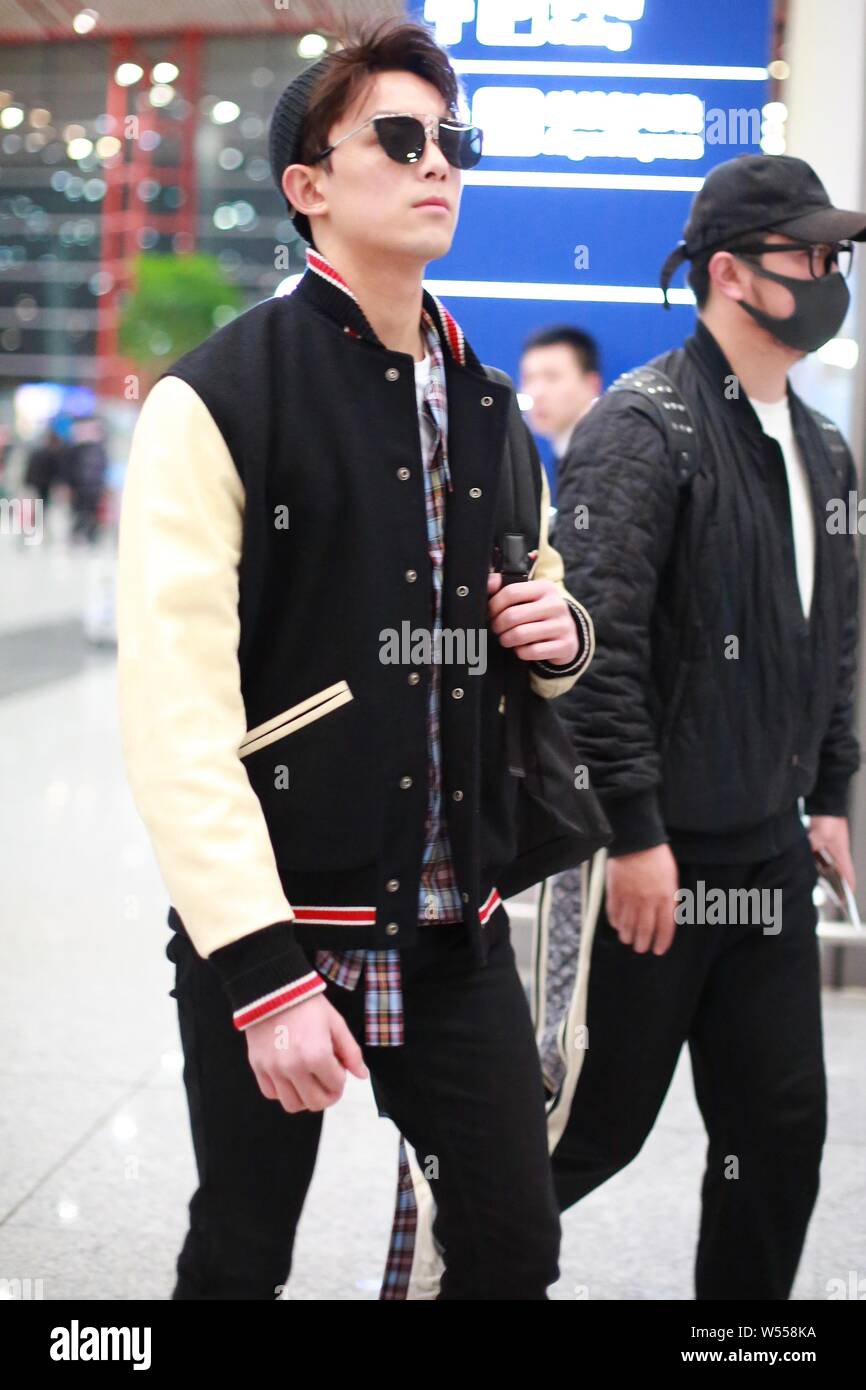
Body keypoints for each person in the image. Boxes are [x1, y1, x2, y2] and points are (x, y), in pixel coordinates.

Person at [117, 18, 594, 1301]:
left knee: (511, 1247)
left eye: (454, 142)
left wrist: (558, 638)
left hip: (457, 923)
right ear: (308, 186)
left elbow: (535, 594)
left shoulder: (487, 403)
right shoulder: (215, 401)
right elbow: (174, 718)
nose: (437, 163)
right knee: (240, 1250)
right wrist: (262, 972)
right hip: (283, 924)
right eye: (399, 137)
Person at [547, 153, 864, 1300]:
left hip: (767, 858)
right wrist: (632, 831)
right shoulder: (643, 427)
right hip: (652, 868)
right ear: (727, 272)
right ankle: (451, 1271)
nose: (830, 276)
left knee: (778, 1135)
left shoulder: (821, 447)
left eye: (838, 256)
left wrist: (827, 790)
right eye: (809, 257)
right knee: (586, 1132)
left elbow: (829, 630)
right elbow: (594, 650)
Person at [519, 325, 602, 475]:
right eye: (528, 378)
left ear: (591, 384)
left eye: (552, 377)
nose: (537, 392)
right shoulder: (563, 457)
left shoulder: (607, 461)